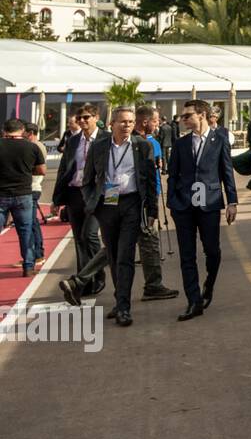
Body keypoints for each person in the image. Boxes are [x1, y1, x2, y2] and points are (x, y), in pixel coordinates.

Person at [80, 108, 158, 327]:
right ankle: (119, 300)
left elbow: (151, 180)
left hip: (132, 204)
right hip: (107, 205)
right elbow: (87, 181)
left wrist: (152, 211)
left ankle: (124, 307)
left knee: (125, 255)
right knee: (113, 256)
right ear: (112, 123)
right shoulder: (99, 147)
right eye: (123, 122)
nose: (128, 126)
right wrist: (92, 205)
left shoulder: (143, 146)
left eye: (131, 122)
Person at [168, 99, 238, 321]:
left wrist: (232, 202)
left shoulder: (220, 140)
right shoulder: (180, 144)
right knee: (187, 255)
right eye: (182, 116)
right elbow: (173, 175)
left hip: (209, 203)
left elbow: (227, 171)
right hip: (184, 206)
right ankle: (194, 301)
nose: (183, 119)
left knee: (213, 251)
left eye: (187, 115)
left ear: (202, 115)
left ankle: (209, 283)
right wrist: (172, 202)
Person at [52, 104, 108, 296]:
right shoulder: (74, 141)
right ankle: (83, 282)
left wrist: (112, 198)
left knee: (90, 235)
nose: (82, 121)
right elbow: (64, 169)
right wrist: (56, 198)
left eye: (86, 117)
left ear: (96, 117)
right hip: (74, 193)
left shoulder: (106, 139)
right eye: (79, 118)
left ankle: (97, 274)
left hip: (97, 194)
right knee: (79, 240)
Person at [132, 105, 179, 301]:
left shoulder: (144, 142)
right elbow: (150, 177)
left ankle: (81, 279)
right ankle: (154, 285)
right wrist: (152, 207)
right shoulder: (143, 144)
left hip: (136, 200)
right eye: (155, 121)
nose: (158, 124)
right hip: (142, 201)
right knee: (148, 241)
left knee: (123, 242)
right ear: (145, 122)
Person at [0, 118, 45, 277]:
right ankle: (28, 266)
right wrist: (25, 172)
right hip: (24, 194)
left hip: (2, 194)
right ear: (22, 131)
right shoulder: (32, 147)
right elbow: (41, 170)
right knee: (26, 232)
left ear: (5, 130)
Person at [22, 123, 45, 269]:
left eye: (23, 133)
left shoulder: (36, 147)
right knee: (31, 223)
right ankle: (32, 255)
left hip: (32, 188)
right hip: (30, 188)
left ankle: (37, 254)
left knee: (31, 223)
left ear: (30, 133)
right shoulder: (32, 146)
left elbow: (41, 169)